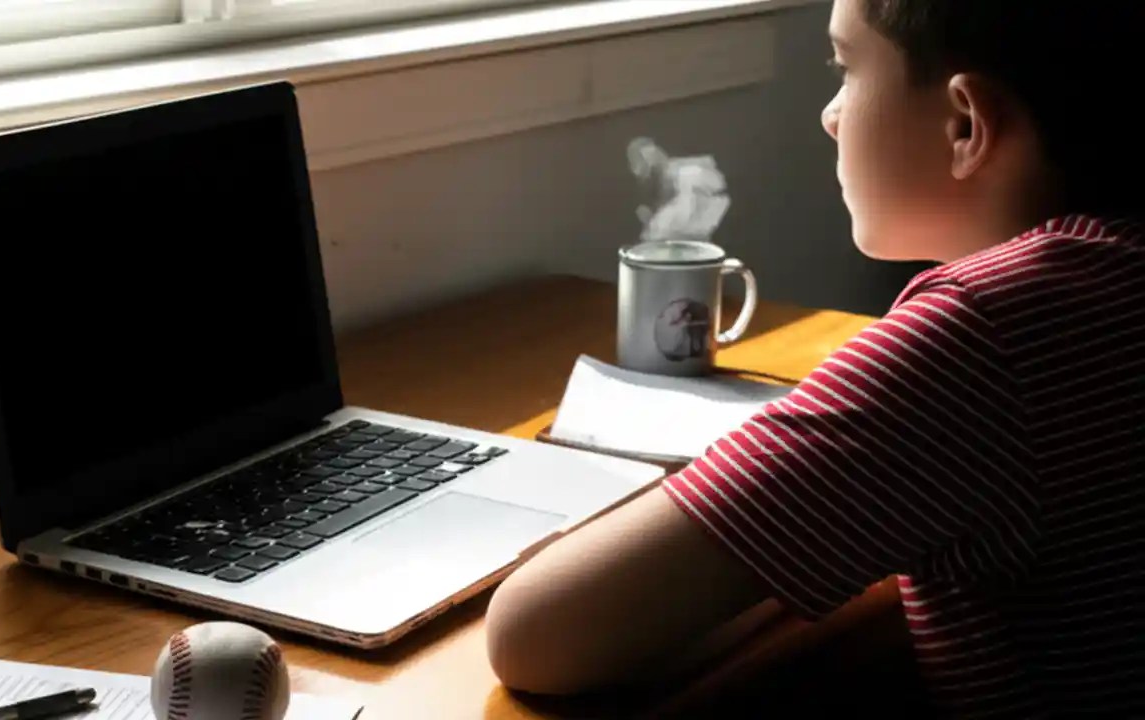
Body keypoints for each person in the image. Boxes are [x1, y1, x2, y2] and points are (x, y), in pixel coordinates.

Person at [484, 0, 1145, 715]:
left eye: (848, 67)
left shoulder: (984, 339)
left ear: (964, 126)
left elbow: (537, 633)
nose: (831, 116)